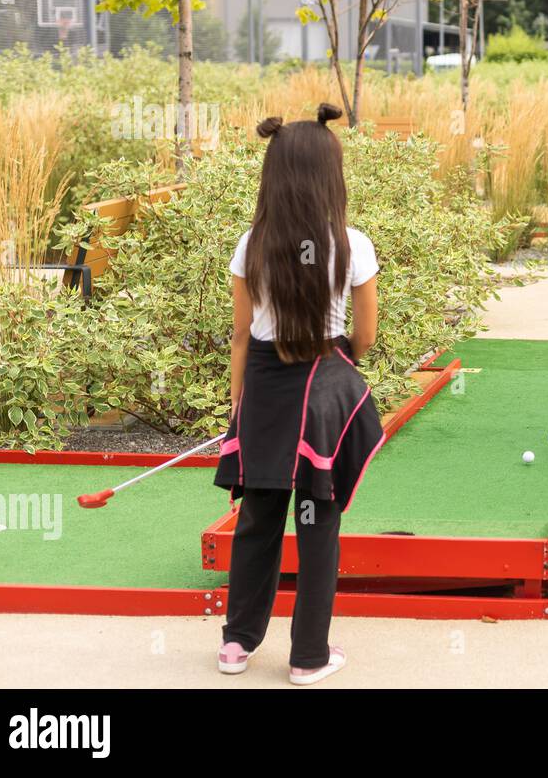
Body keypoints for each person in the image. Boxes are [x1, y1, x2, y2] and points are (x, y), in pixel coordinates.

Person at [213, 102, 384, 685]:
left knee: (257, 518)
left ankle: (236, 646)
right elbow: (364, 335)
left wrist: (239, 404)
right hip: (322, 391)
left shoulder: (249, 243)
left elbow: (241, 335)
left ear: (275, 172)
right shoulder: (352, 244)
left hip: (262, 388)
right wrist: (338, 371)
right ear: (328, 176)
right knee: (318, 519)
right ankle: (309, 657)